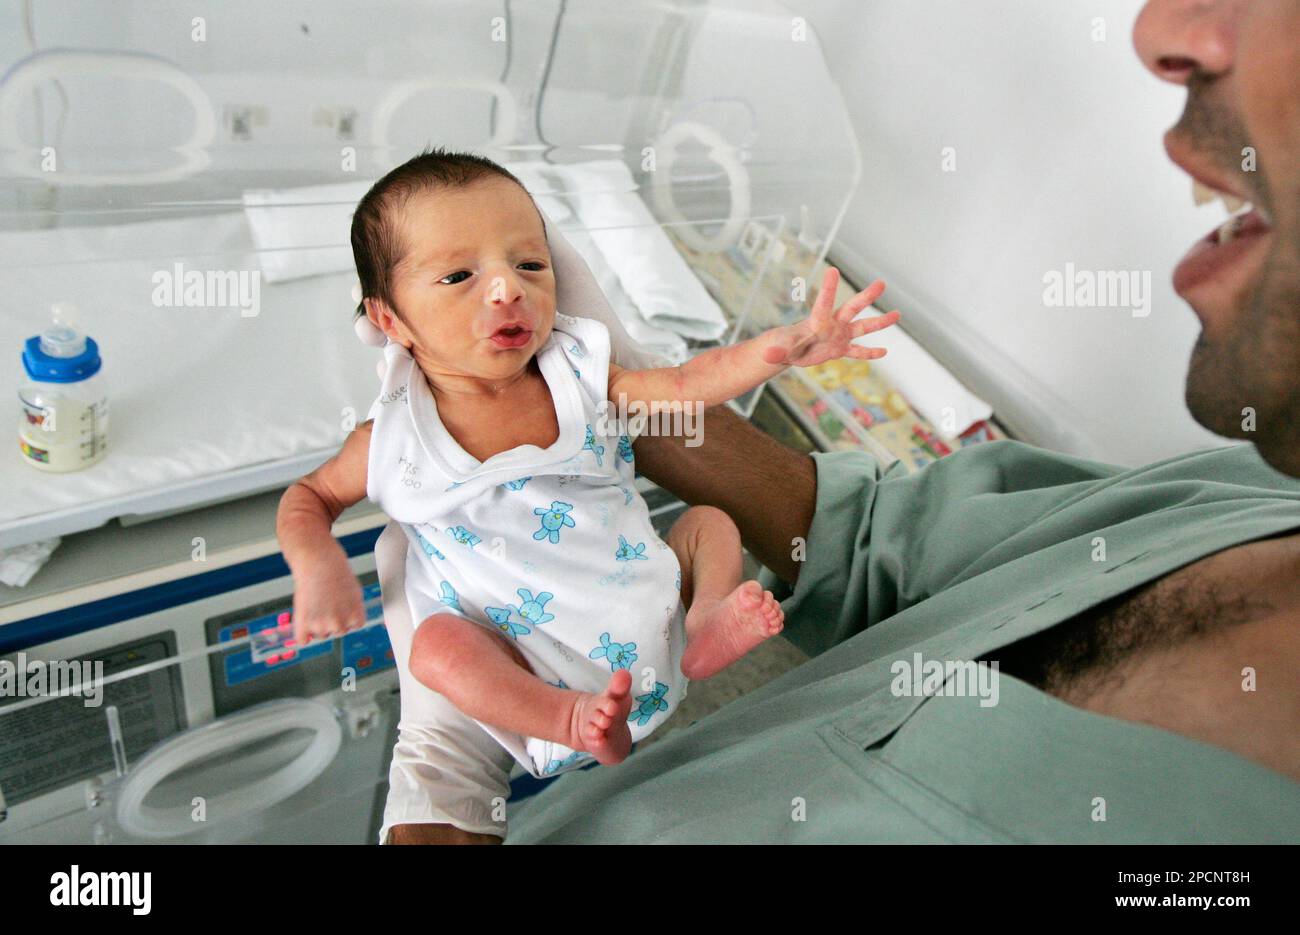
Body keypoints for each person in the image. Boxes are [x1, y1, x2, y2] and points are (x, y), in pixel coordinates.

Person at [391, 0, 1300, 843]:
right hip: (593, 679)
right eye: (459, 276)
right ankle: (696, 619)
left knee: (686, 540)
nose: (1160, 27)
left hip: (619, 687)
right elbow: (876, 539)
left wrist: (439, 807)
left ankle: (699, 619)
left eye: (527, 264)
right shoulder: (1240, 499)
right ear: (390, 322)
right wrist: (624, 406)